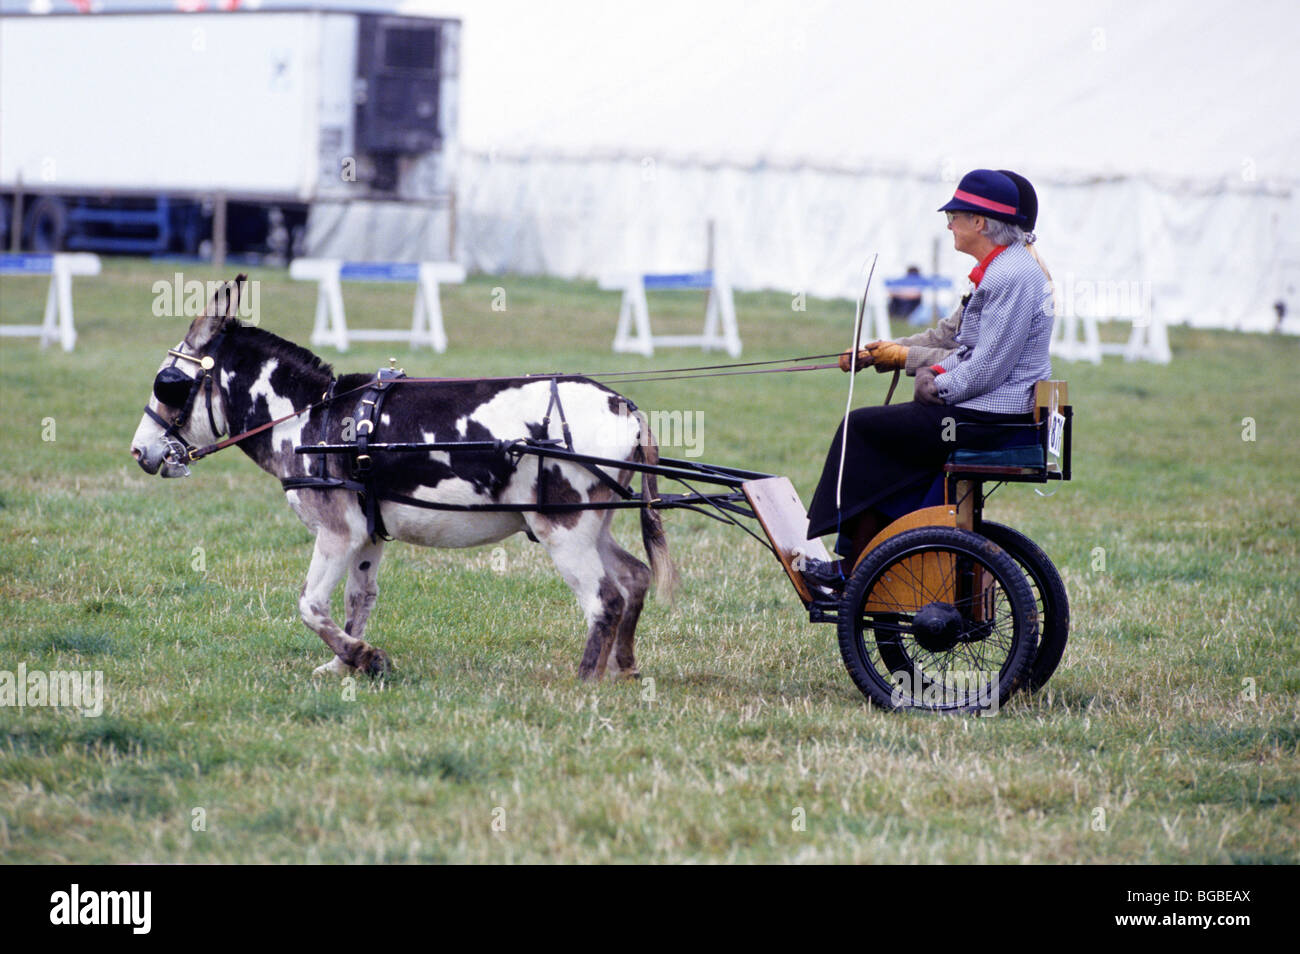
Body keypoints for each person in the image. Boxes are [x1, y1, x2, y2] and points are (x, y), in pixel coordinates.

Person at [802, 169, 1054, 591]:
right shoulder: (1001, 269)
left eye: (954, 215)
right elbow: (950, 339)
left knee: (859, 429)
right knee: (881, 435)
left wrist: (934, 382)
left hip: (990, 418)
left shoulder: (1010, 277)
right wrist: (882, 352)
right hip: (986, 410)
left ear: (980, 222)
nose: (949, 225)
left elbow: (986, 367)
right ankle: (866, 558)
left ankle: (854, 566)